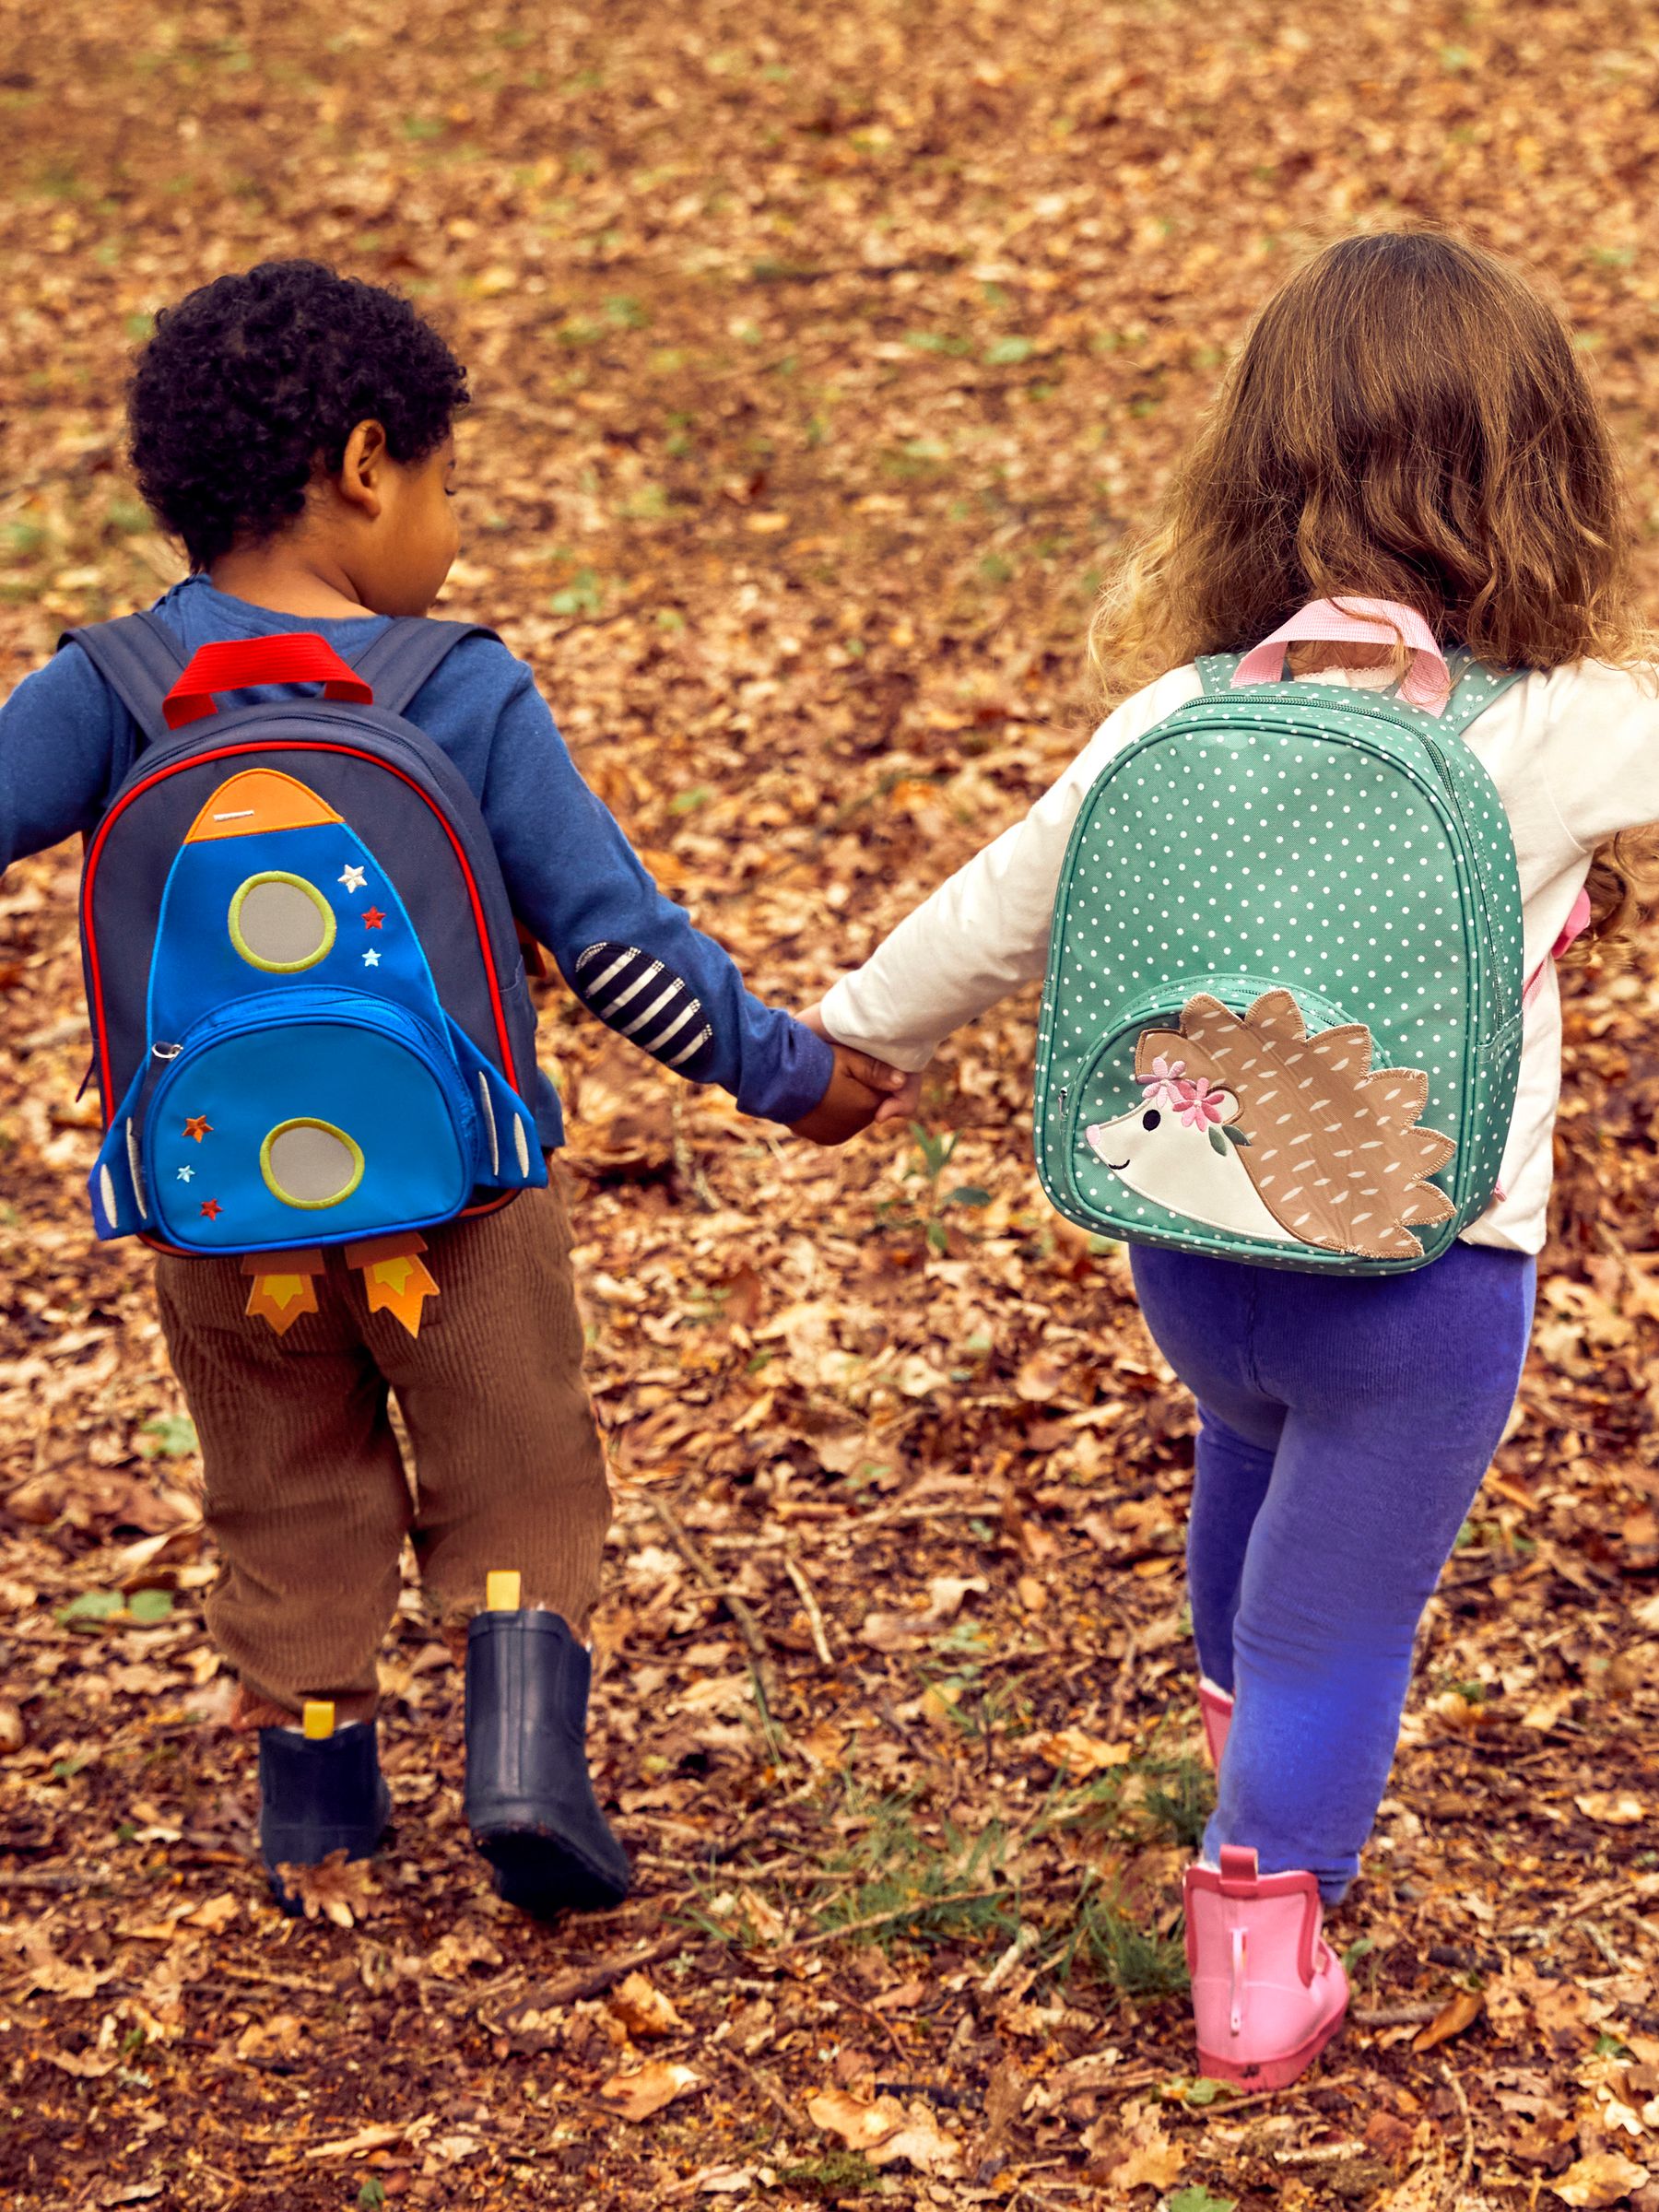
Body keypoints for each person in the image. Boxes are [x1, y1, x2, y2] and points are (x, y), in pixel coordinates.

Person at [806, 229, 1659, 2086]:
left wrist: (855, 1045)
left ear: (1261, 471)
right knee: (1341, 1618)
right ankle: (1261, 1956)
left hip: (1194, 1248)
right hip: (1424, 1285)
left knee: (1250, 1475)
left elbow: (1000, 906)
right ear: (1541, 476)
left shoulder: (1180, 713)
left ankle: (1237, 1749)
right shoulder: (1573, 726)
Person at [0, 259, 902, 1916]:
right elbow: (615, 944)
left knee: (283, 1485)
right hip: (466, 1197)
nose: (452, 524)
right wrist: (788, 1074)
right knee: (517, 1460)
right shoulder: (453, 684)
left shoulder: (109, 687)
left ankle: (319, 1813)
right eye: (446, 483)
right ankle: (522, 1765)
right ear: (364, 467)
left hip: (216, 1208)